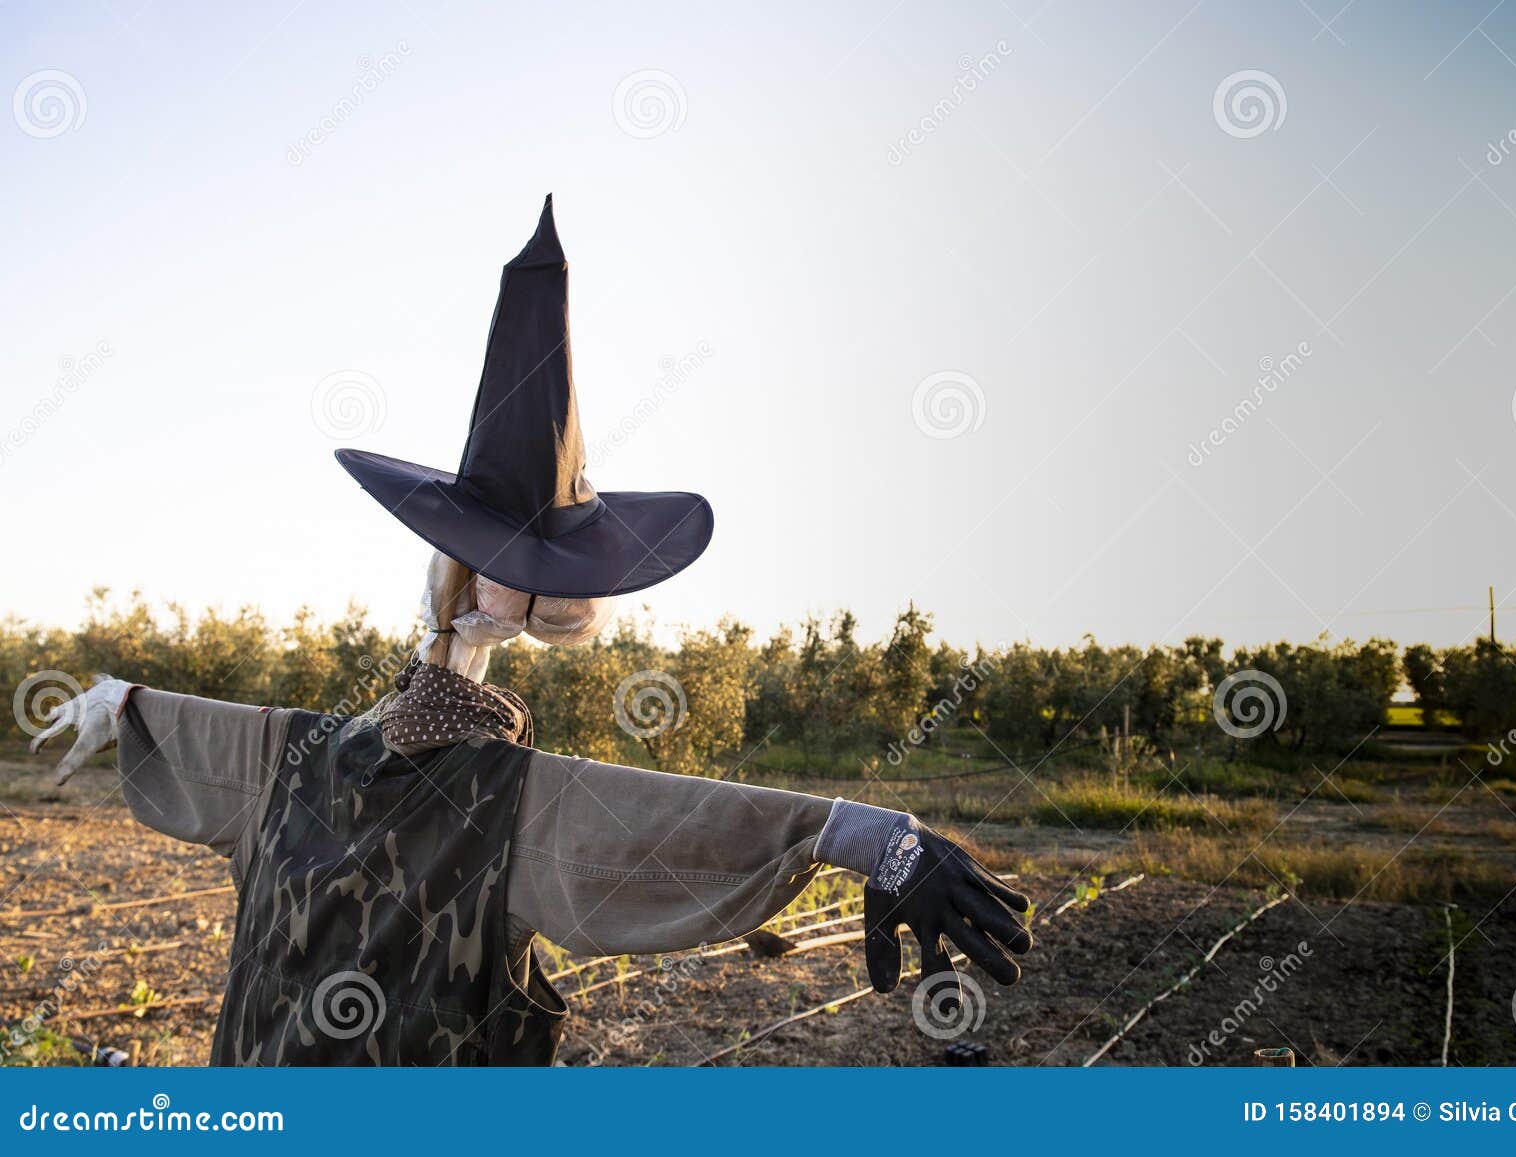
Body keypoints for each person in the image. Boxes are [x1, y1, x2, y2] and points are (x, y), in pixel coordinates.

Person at [26, 196, 1031, 1065]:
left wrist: (119, 703)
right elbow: (678, 822)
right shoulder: (447, 789)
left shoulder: (331, 761)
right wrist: (867, 836)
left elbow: (676, 819)